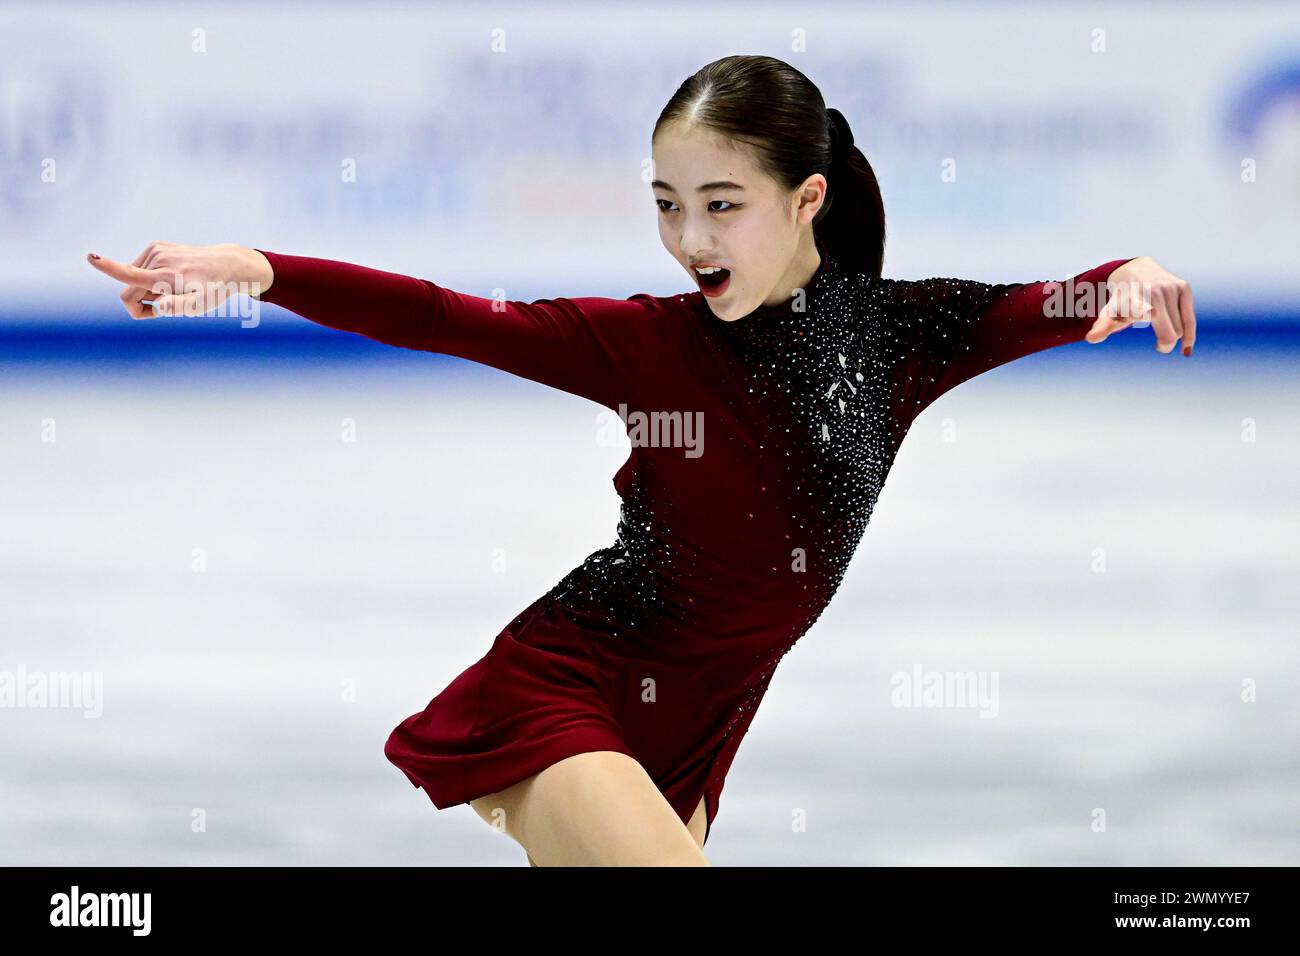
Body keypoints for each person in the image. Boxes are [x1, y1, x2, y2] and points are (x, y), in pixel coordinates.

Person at [86, 54, 1195, 867]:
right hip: (568, 690)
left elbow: (1046, 303)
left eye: (722, 206)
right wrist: (261, 269)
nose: (690, 239)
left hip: (703, 720)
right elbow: (443, 315)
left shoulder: (901, 336)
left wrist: (1129, 273)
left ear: (806, 198)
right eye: (667, 206)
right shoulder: (645, 343)